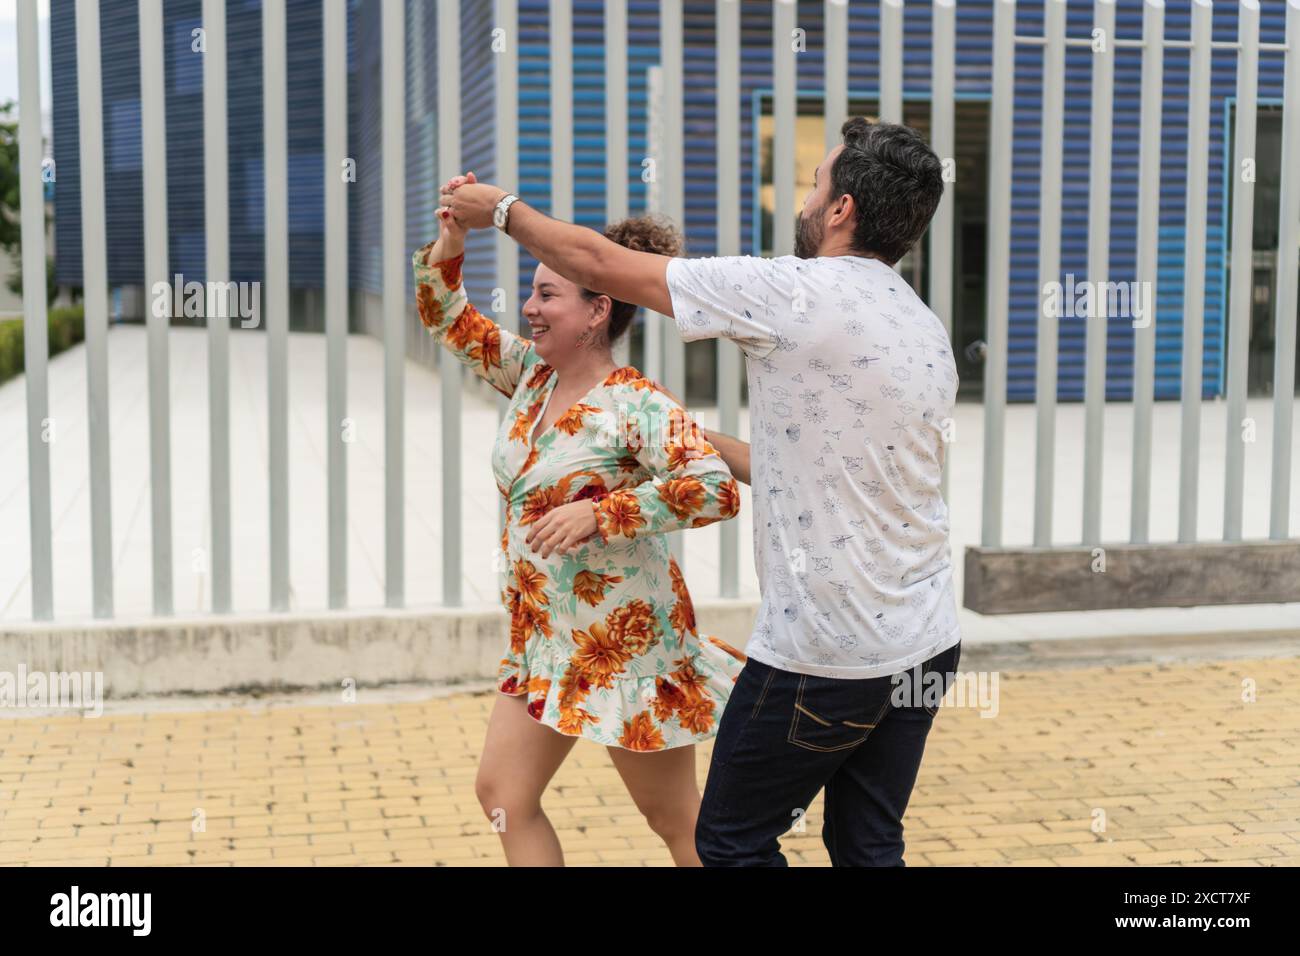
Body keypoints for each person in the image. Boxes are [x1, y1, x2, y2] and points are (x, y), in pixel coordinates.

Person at [439, 118, 962, 867]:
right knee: (867, 844)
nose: (806, 201)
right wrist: (679, 435)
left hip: (829, 650)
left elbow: (597, 260)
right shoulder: (921, 327)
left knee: (728, 845)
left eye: (815, 184)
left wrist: (496, 210)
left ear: (843, 209)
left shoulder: (792, 291)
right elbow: (830, 469)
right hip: (923, 640)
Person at [415, 177, 747, 867]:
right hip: (543, 640)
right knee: (503, 791)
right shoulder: (530, 377)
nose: (530, 310)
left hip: (625, 647)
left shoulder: (636, 404)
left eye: (547, 296)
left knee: (676, 822)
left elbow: (714, 486)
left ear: (598, 311)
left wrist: (604, 514)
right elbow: (447, 318)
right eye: (532, 294)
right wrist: (452, 242)